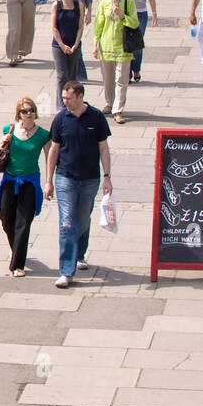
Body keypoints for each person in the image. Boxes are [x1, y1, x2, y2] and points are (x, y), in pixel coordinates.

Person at [44, 80, 112, 288]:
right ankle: (66, 271)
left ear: (80, 96)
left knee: (82, 219)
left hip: (90, 178)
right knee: (67, 222)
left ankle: (80, 253)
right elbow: (54, 150)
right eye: (63, 98)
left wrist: (107, 176)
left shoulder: (97, 117)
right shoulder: (61, 118)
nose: (65, 102)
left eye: (69, 98)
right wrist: (49, 181)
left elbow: (104, 148)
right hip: (65, 177)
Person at [0, 97, 50, 277]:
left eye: (31, 110)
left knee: (23, 222)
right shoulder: (9, 130)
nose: (29, 113)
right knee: (6, 219)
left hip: (30, 183)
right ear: (19, 114)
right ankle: (14, 247)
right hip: (10, 181)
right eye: (25, 111)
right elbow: (0, 151)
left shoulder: (43, 135)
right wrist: (3, 142)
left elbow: (50, 158)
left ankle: (17, 265)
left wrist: (49, 182)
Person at [93, 0, 137, 124]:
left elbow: (134, 23)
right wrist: (96, 43)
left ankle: (118, 109)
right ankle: (109, 103)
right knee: (108, 78)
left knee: (121, 80)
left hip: (123, 47)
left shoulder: (128, 2)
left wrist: (122, 16)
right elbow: (98, 24)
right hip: (106, 46)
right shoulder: (104, 2)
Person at [50, 0, 84, 111]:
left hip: (74, 44)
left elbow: (80, 26)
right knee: (61, 76)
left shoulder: (78, 5)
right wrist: (62, 45)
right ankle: (61, 105)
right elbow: (54, 27)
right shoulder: (57, 5)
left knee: (71, 76)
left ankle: (72, 103)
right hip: (59, 45)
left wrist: (76, 44)